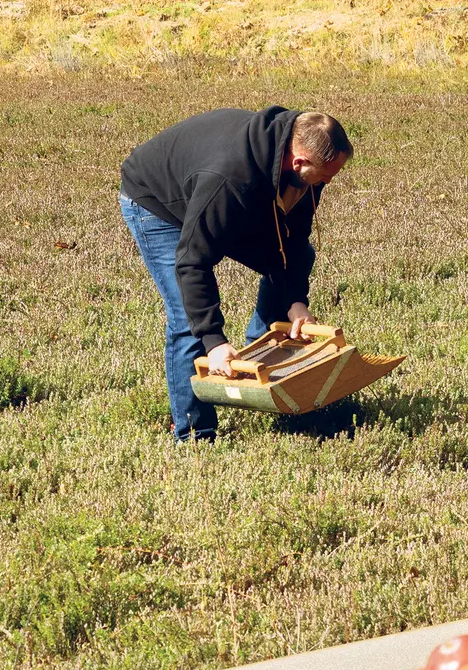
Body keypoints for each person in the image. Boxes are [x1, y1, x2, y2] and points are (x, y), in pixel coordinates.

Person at [119, 106, 353, 442]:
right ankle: (195, 437)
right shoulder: (230, 179)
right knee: (188, 323)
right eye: (326, 175)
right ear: (299, 162)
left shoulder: (304, 166)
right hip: (157, 202)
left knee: (296, 259)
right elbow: (192, 263)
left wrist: (296, 301)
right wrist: (213, 341)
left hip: (214, 187)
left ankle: (262, 369)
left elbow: (294, 240)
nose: (330, 182)